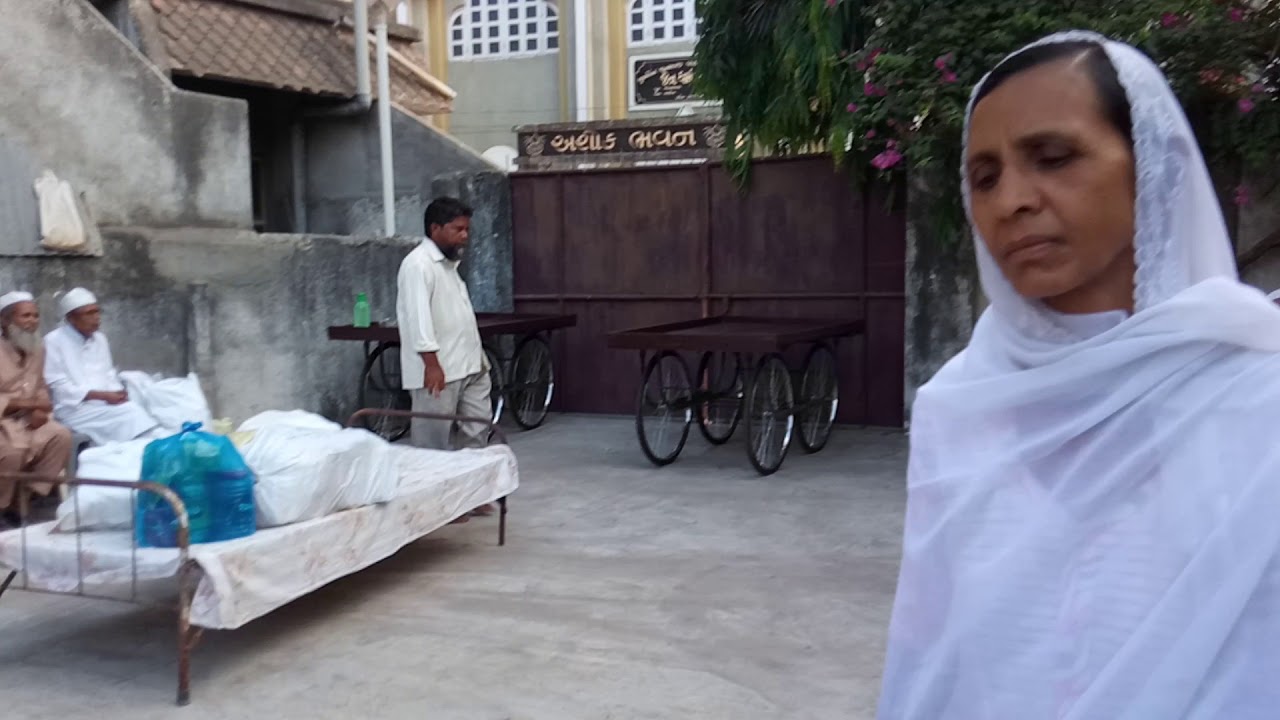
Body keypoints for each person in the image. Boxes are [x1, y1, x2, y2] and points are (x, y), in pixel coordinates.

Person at [878, 32, 1280, 719]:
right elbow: (931, 656)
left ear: (1151, 166)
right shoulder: (960, 406)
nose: (1012, 201)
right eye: (985, 177)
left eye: (1053, 158)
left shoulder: (1257, 397)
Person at [396, 197, 495, 465]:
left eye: (467, 230)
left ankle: (473, 497)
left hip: (471, 365)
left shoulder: (450, 266)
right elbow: (419, 319)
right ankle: (432, 502)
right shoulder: (418, 265)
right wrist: (432, 364)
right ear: (434, 229)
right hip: (439, 370)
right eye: (457, 229)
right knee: (431, 446)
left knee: (477, 433)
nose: (464, 236)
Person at [43, 287, 161, 445]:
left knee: (136, 408)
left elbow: (109, 374)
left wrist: (116, 392)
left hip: (104, 405)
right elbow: (58, 386)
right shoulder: (53, 341)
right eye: (89, 313)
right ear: (71, 318)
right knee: (132, 416)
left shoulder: (100, 339)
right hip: (73, 410)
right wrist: (101, 396)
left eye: (97, 312)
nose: (96, 318)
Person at [0, 292, 72, 528]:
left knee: (60, 436)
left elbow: (39, 385)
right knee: (12, 451)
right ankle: (2, 507)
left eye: (35, 316)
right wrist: (26, 405)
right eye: (25, 316)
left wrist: (42, 409)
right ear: (6, 321)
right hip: (4, 420)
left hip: (29, 420)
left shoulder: (36, 348)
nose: (32, 321)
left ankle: (23, 499)